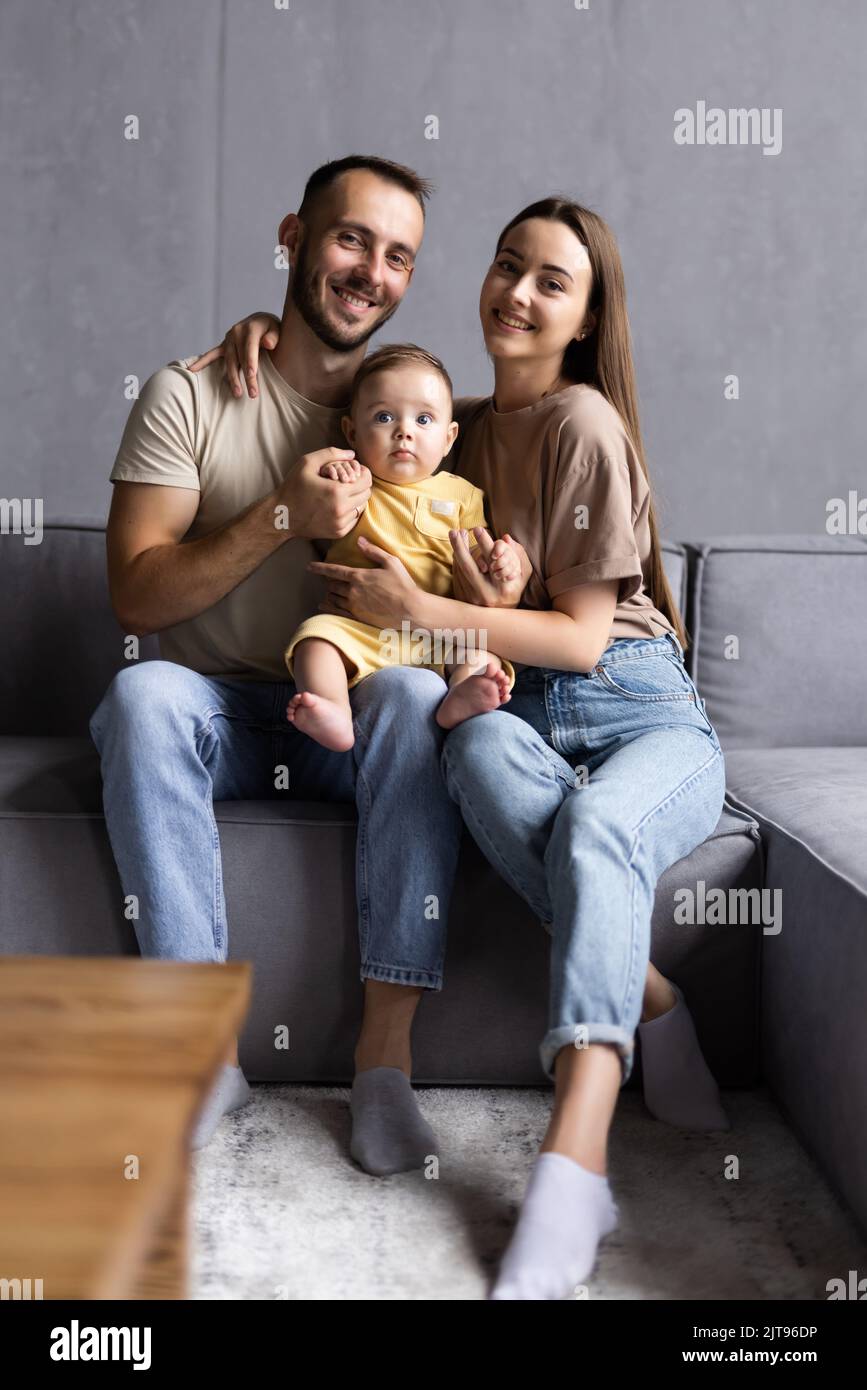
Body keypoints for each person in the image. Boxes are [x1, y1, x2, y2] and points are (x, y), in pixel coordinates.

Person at [216, 194, 728, 1300]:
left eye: (552, 281)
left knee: (597, 826)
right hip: (517, 713)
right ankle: (654, 997)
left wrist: (421, 607)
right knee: (465, 753)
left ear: (587, 319)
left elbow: (587, 639)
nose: (518, 293)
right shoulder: (462, 426)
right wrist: (262, 337)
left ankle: (572, 1167)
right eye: (507, 266)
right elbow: (368, 410)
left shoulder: (585, 419)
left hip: (639, 711)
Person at [89, 154, 525, 1169]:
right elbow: (136, 595)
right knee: (141, 693)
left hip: (359, 720)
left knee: (416, 689)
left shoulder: (413, 416)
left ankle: (383, 1068)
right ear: (293, 236)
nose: (371, 269)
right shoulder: (191, 393)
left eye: (398, 254)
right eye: (349, 238)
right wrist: (283, 516)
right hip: (227, 714)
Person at [284, 341, 517, 751]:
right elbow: (313, 509)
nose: (404, 431)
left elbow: (478, 561)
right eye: (384, 416)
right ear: (352, 431)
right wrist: (334, 472)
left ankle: (461, 694)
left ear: (449, 438)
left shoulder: (463, 495)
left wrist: (499, 560)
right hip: (363, 630)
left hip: (436, 633)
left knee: (482, 649)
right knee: (314, 640)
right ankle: (334, 710)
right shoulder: (355, 481)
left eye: (423, 419)